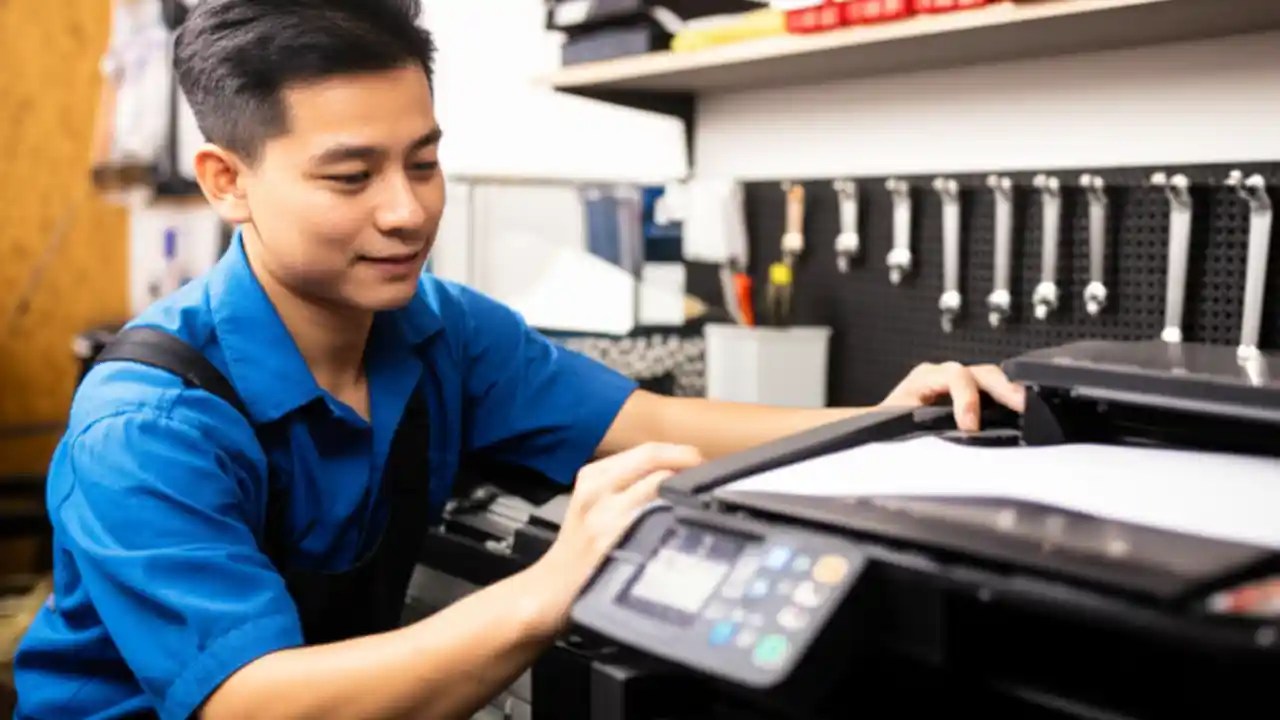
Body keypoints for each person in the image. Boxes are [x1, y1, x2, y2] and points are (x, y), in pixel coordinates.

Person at [12, 1, 1026, 718]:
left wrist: (892, 418)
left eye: (423, 160)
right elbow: (252, 706)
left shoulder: (441, 330)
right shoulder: (150, 423)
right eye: (350, 175)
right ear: (228, 181)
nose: (406, 211)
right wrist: (552, 586)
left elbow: (663, 429)